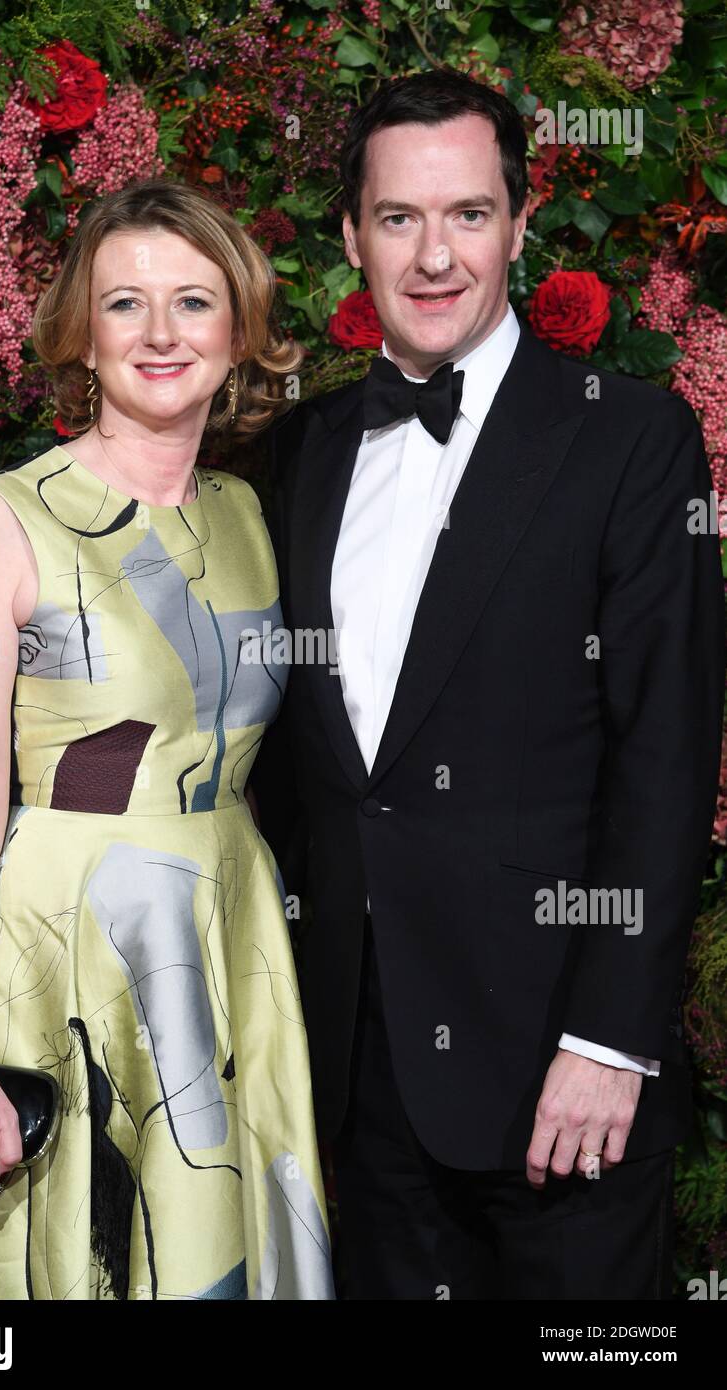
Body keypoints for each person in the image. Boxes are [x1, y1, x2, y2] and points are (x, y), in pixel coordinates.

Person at [251, 69, 726, 1299]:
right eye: (397, 219)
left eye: (466, 214)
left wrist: (610, 1037)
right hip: (357, 1076)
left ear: (519, 223)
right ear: (351, 236)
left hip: (560, 1074)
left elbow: (663, 758)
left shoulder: (628, 439)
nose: (431, 256)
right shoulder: (295, 456)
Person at [0, 177, 334, 1301]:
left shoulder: (244, 510)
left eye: (193, 303)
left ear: (239, 331)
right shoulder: (0, 518)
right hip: (59, 946)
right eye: (125, 304)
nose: (161, 334)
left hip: (226, 931)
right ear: (80, 329)